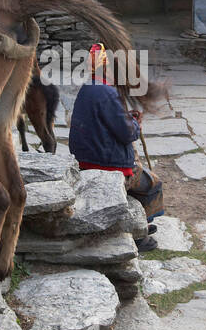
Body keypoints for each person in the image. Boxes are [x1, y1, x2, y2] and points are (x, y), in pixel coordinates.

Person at [68, 44, 159, 251]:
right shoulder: (107, 93)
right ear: (107, 69)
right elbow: (128, 133)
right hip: (106, 164)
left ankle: (139, 223)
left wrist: (128, 118)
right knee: (150, 182)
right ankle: (138, 233)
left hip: (85, 160)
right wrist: (136, 124)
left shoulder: (88, 88)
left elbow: (105, 122)